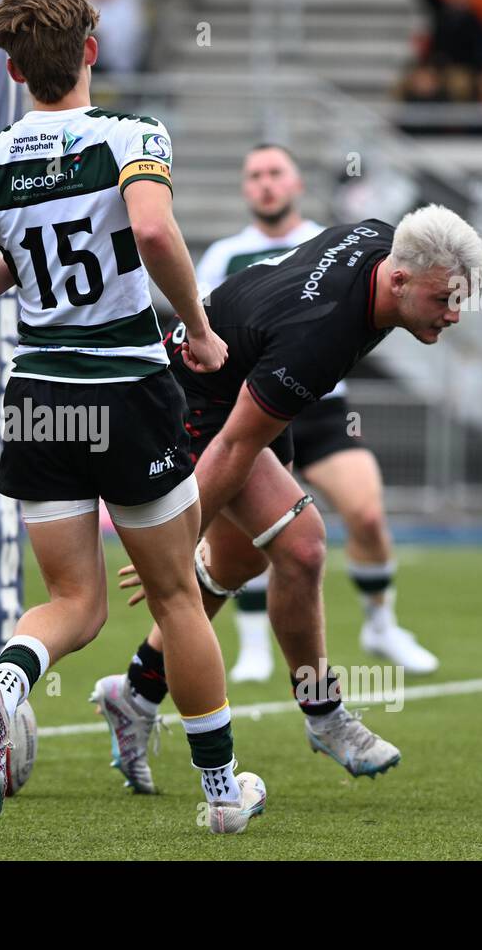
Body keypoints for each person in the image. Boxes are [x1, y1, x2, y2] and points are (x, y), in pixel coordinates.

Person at [0, 0, 263, 833]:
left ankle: (3, 685)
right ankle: (223, 795)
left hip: (40, 395)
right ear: (90, 50)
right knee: (175, 598)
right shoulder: (132, 135)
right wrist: (199, 327)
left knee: (73, 601)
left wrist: (26, 247)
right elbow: (151, 232)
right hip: (125, 387)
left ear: (12, 70)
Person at [90, 205, 482, 795]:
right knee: (301, 549)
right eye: (443, 300)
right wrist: (174, 540)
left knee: (240, 561)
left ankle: (136, 693)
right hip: (197, 394)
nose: (454, 314)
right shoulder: (321, 334)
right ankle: (324, 714)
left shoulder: (392, 244)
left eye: (461, 299)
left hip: (249, 371)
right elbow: (232, 445)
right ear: (399, 280)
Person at [187, 144, 437, 685]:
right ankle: (253, 645)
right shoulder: (224, 255)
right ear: (245, 189)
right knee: (258, 540)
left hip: (321, 408)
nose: (266, 184)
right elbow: (203, 327)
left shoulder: (341, 240)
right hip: (246, 401)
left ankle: (382, 625)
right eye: (254, 176)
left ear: (297, 183)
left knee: (365, 512)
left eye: (276, 173)